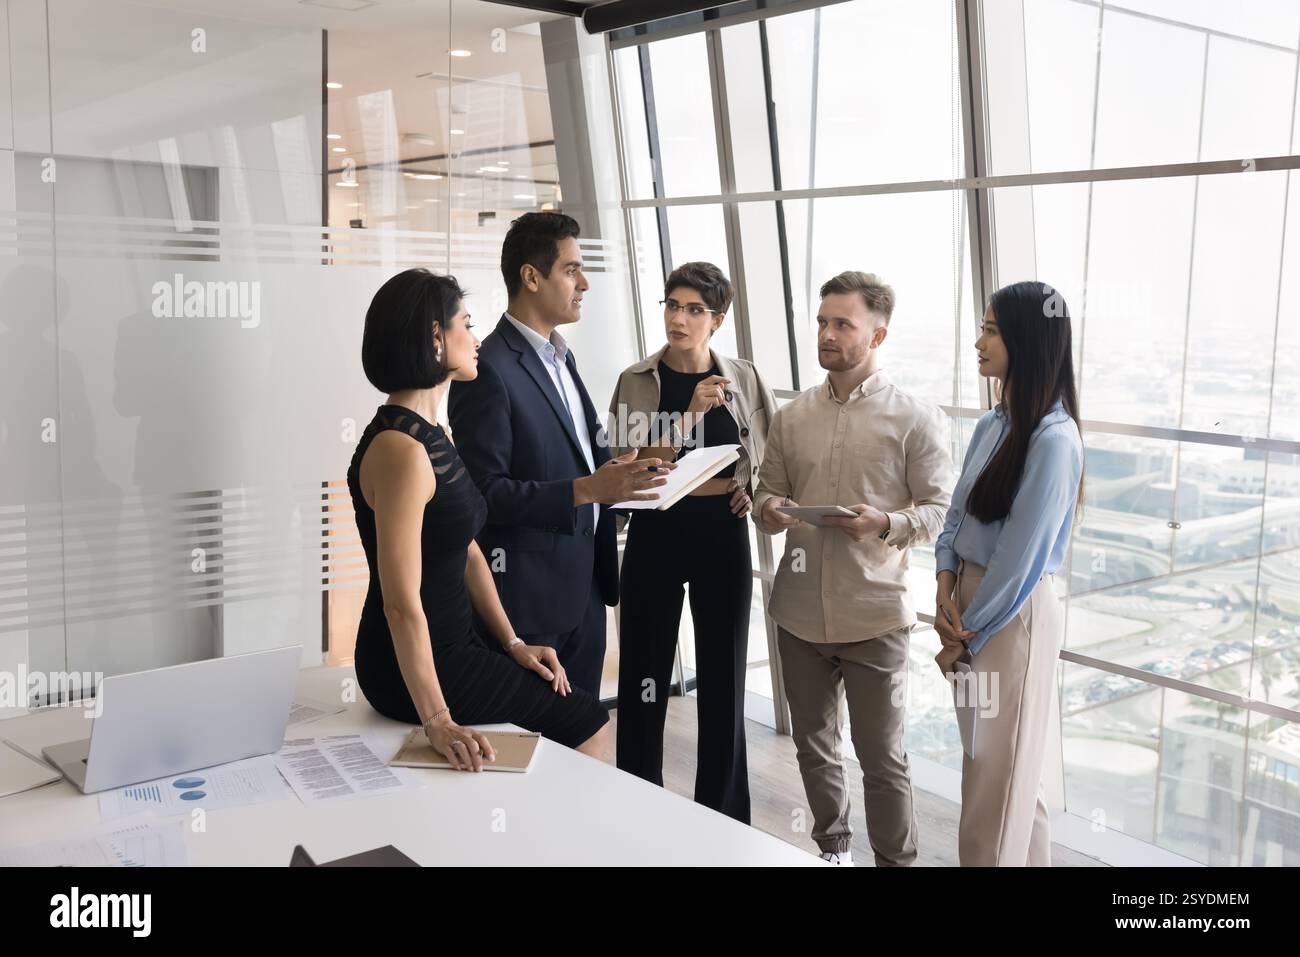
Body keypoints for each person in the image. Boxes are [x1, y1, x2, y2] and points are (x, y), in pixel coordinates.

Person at [348, 268, 610, 769]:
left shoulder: (431, 433)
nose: (476, 338)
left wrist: (512, 643)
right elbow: (401, 604)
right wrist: (438, 720)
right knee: (590, 723)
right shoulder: (400, 450)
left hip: (457, 640)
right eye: (465, 324)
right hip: (415, 661)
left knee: (563, 710)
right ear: (434, 337)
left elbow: (467, 549)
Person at [753, 271, 953, 865]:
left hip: (875, 617)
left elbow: (941, 510)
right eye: (822, 322)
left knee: (883, 758)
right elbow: (765, 498)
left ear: (878, 334)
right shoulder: (792, 418)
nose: (828, 333)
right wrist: (773, 512)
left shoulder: (916, 418)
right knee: (814, 749)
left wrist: (884, 525)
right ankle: (832, 852)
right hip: (797, 615)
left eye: (843, 324)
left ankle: (896, 862)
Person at [448, 212, 671, 697]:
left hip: (584, 595)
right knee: (535, 758)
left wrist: (618, 473)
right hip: (526, 606)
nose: (584, 283)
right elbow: (483, 494)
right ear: (531, 277)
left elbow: (582, 466)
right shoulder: (488, 370)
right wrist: (589, 487)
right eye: (571, 270)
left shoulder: (562, 357)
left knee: (582, 741)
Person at [607, 261, 778, 824]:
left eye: (695, 310)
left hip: (721, 534)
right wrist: (688, 415)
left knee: (723, 678)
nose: (679, 318)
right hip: (657, 532)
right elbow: (628, 467)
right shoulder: (636, 379)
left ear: (718, 319)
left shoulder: (745, 378)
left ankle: (723, 820)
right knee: (644, 677)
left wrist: (751, 491)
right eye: (672, 305)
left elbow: (772, 454)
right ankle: (639, 805)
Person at [934, 280, 1084, 867]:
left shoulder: (1055, 440)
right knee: (1005, 771)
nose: (978, 341)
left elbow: (1020, 560)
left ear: (1026, 338)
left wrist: (963, 633)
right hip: (968, 603)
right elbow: (955, 513)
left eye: (992, 330)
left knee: (994, 786)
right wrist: (944, 583)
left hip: (1008, 616)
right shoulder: (992, 424)